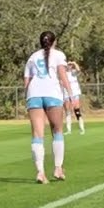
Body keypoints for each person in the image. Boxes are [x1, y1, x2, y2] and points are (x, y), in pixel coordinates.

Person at [25, 31, 76, 183]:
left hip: (34, 95)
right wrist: (71, 95)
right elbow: (62, 75)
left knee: (37, 135)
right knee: (57, 131)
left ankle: (40, 172)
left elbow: (27, 81)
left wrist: (26, 98)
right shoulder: (58, 55)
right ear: (54, 42)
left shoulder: (32, 57)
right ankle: (58, 168)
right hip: (52, 94)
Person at [62, 60, 86, 135]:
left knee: (77, 110)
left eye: (70, 65)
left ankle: (82, 129)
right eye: (68, 65)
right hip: (66, 94)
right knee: (68, 111)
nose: (69, 66)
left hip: (75, 93)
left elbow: (79, 70)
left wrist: (74, 63)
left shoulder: (73, 72)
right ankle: (69, 130)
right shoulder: (63, 74)